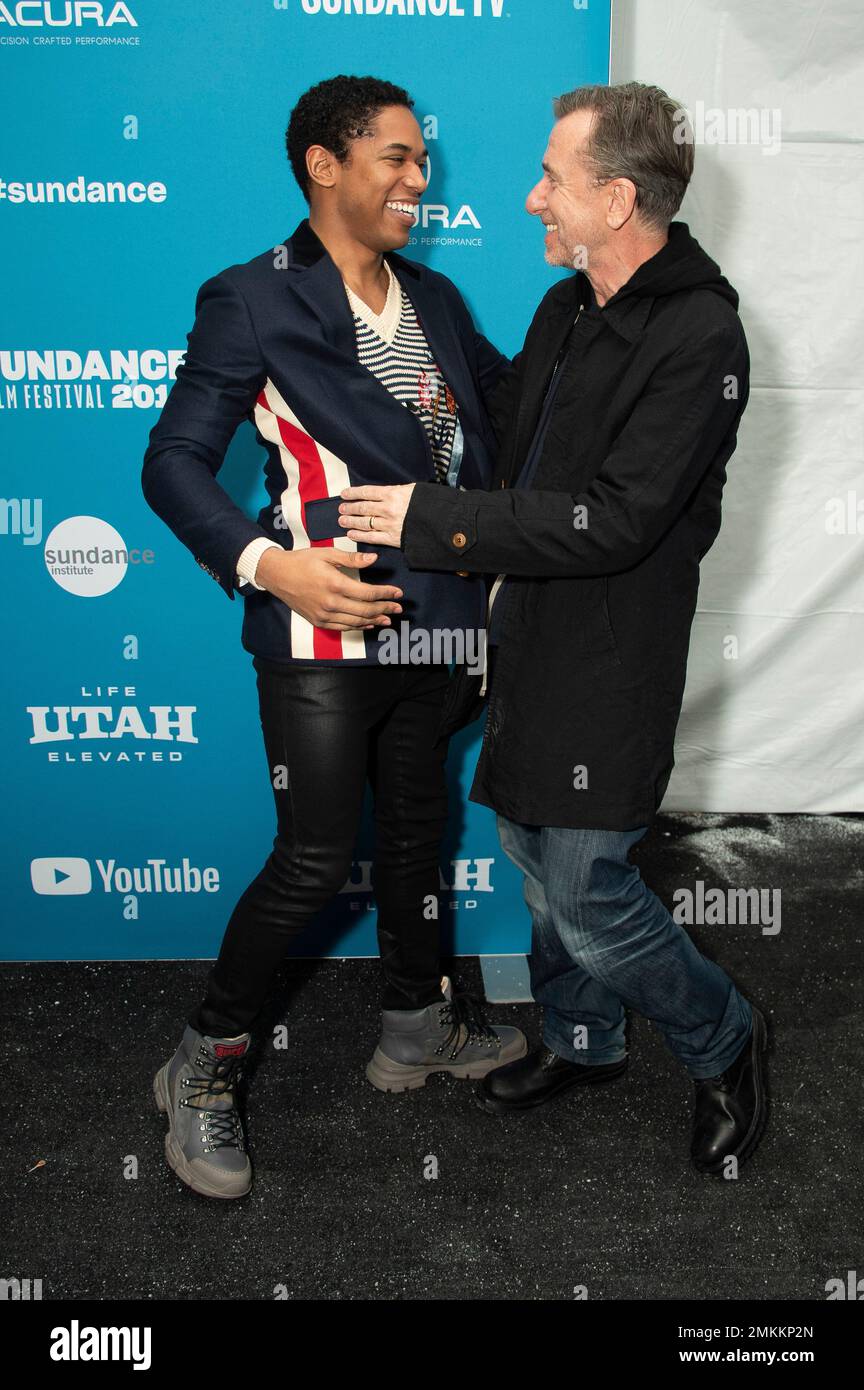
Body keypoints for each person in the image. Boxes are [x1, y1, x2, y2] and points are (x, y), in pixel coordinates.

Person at [337, 81, 769, 1177]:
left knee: (585, 887)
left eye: (553, 180)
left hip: (610, 657)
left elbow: (616, 518)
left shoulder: (701, 334)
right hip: (525, 629)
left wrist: (431, 522)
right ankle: (585, 1038)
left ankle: (724, 1036)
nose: (533, 199)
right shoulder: (570, 305)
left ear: (616, 199)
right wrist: (415, 313)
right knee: (533, 857)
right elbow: (512, 414)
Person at [141, 75, 526, 1201]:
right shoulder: (251, 299)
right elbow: (172, 461)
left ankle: (417, 1024)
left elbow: (514, 412)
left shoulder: (439, 300)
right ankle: (206, 1060)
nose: (422, 179)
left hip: (439, 625)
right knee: (314, 855)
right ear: (323, 163)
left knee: (415, 832)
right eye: (397, 159)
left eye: (423, 162)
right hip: (319, 630)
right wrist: (273, 567)